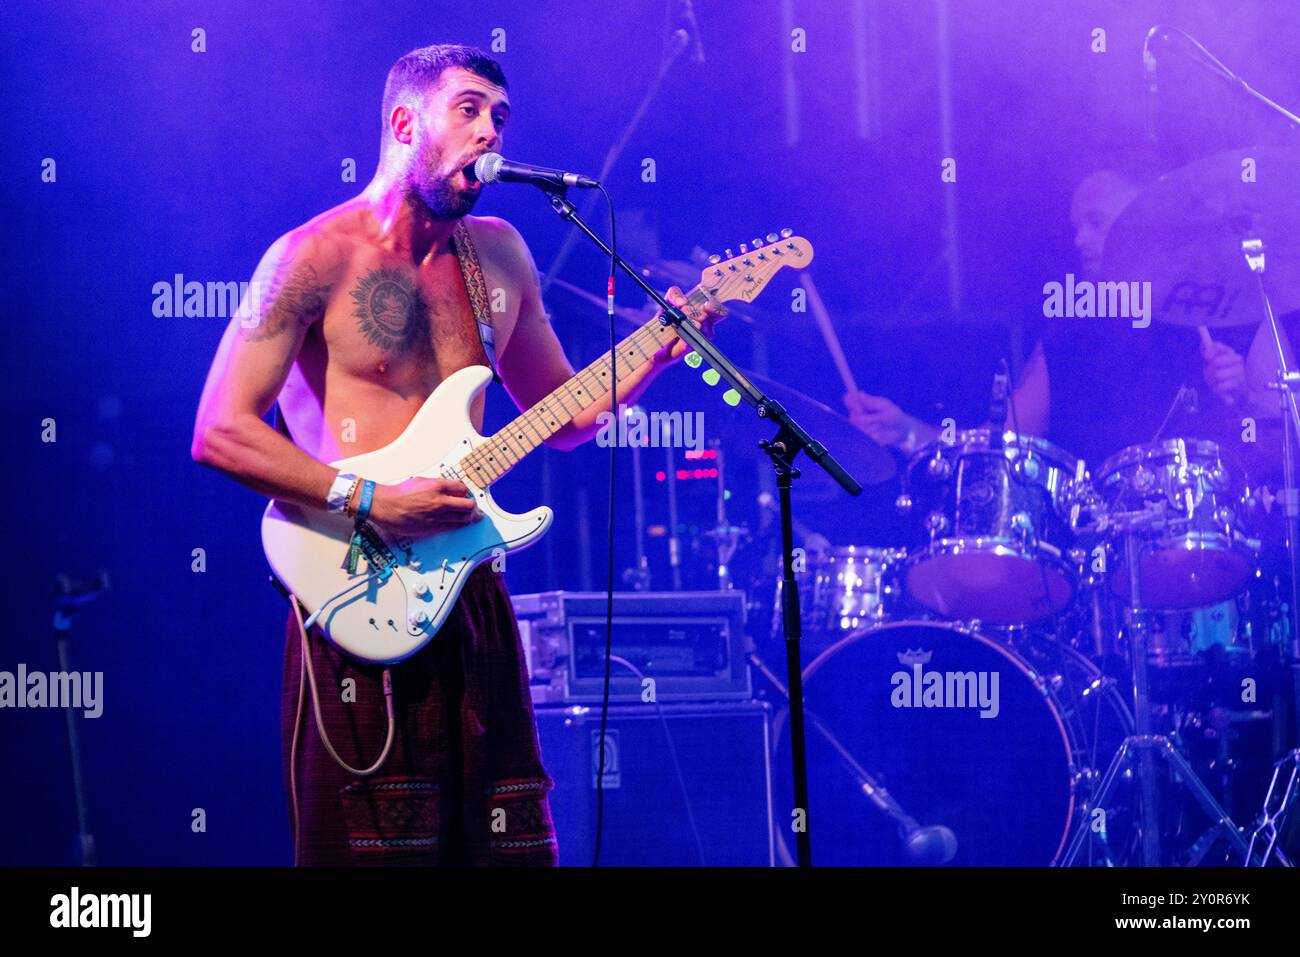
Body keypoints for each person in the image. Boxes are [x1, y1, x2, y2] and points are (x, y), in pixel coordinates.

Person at [191, 43, 724, 865]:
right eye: (469, 109)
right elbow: (220, 429)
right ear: (405, 123)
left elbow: (564, 414)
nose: (490, 132)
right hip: (353, 596)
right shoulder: (310, 256)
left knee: (504, 846)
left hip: (469, 594)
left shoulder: (499, 254)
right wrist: (373, 499)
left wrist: (655, 351)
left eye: (501, 117)